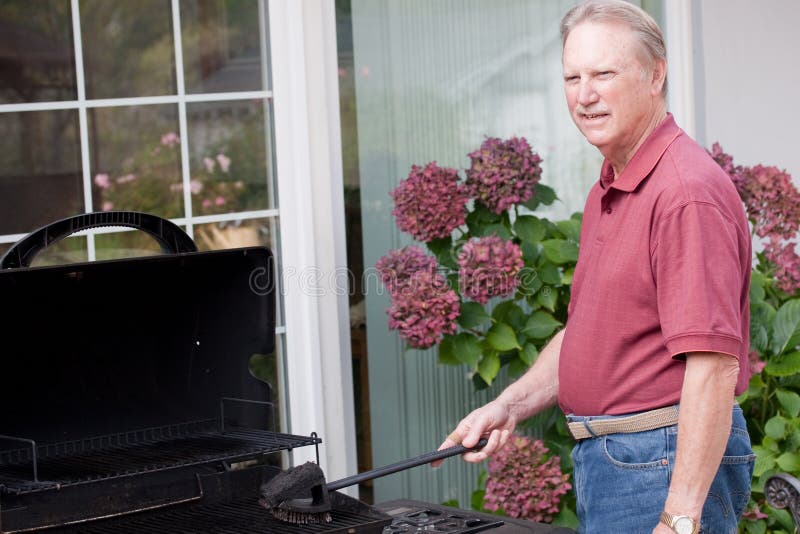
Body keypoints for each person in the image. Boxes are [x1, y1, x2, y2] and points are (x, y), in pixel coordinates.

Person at [439, 1, 755, 533]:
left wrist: (678, 519)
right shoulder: (613, 183)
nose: (584, 95)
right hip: (620, 461)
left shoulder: (684, 194)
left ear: (656, 74)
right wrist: (510, 405)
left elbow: (713, 365)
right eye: (572, 77)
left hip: (657, 463)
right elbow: (588, 330)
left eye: (603, 74)